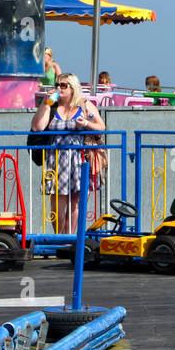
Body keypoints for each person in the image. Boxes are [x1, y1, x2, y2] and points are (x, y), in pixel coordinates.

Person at [30, 72, 106, 233]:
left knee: (76, 203)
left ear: (73, 88)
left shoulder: (85, 106)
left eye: (63, 85)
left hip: (78, 160)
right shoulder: (52, 107)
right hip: (56, 160)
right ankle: (59, 236)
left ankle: (70, 238)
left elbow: (101, 127)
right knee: (57, 205)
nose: (58, 88)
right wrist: (45, 103)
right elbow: (37, 128)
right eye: (56, 85)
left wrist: (85, 123)